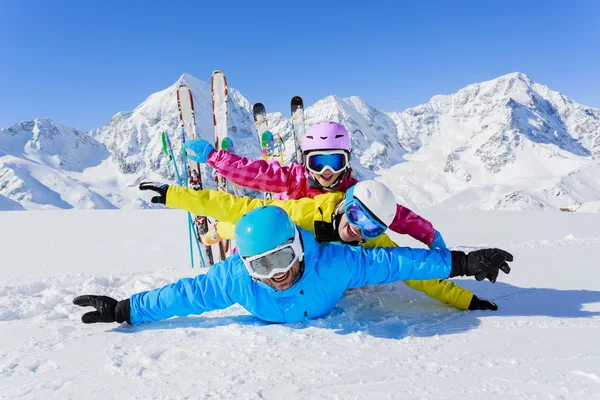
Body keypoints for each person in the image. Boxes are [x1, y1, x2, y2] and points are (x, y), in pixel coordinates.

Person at [74, 206, 513, 326]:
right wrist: (127, 309)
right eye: (261, 267)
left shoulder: (335, 263)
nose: (276, 274)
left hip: (336, 291)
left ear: (298, 249)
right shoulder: (236, 280)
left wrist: (461, 261)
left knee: (375, 276)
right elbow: (185, 295)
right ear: (244, 264)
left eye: (282, 259)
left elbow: (394, 262)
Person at [140, 180, 498, 311]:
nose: (358, 230)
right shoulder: (303, 214)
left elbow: (408, 266)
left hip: (310, 265)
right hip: (264, 234)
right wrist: (177, 196)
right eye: (356, 215)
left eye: (371, 227)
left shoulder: (355, 253)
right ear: (344, 204)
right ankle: (221, 232)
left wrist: (463, 288)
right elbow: (236, 206)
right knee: (241, 223)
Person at [184, 121, 446, 250]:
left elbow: (395, 214)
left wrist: (429, 234)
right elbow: (254, 173)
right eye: (318, 162)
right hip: (287, 234)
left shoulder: (353, 191)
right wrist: (213, 157)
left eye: (334, 161)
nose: (327, 172)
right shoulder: (292, 178)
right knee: (250, 224)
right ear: (306, 162)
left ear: (346, 161)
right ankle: (219, 229)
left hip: (319, 248)